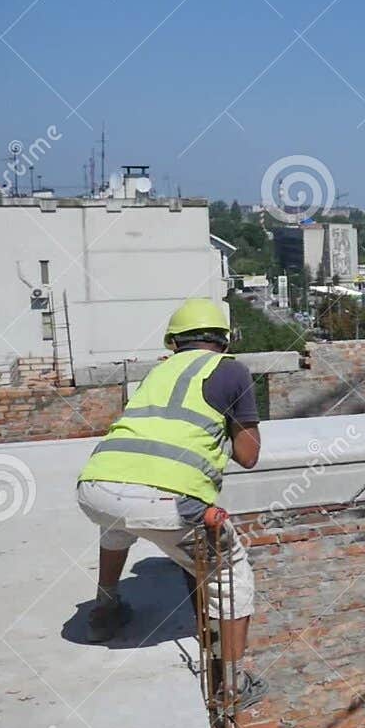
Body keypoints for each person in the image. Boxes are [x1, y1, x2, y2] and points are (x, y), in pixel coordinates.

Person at [75, 298, 267, 707]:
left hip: (96, 486)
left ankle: (104, 612)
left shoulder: (158, 371)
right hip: (167, 499)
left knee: (117, 525)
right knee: (231, 574)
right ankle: (232, 686)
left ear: (174, 342)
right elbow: (249, 455)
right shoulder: (231, 370)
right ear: (223, 340)